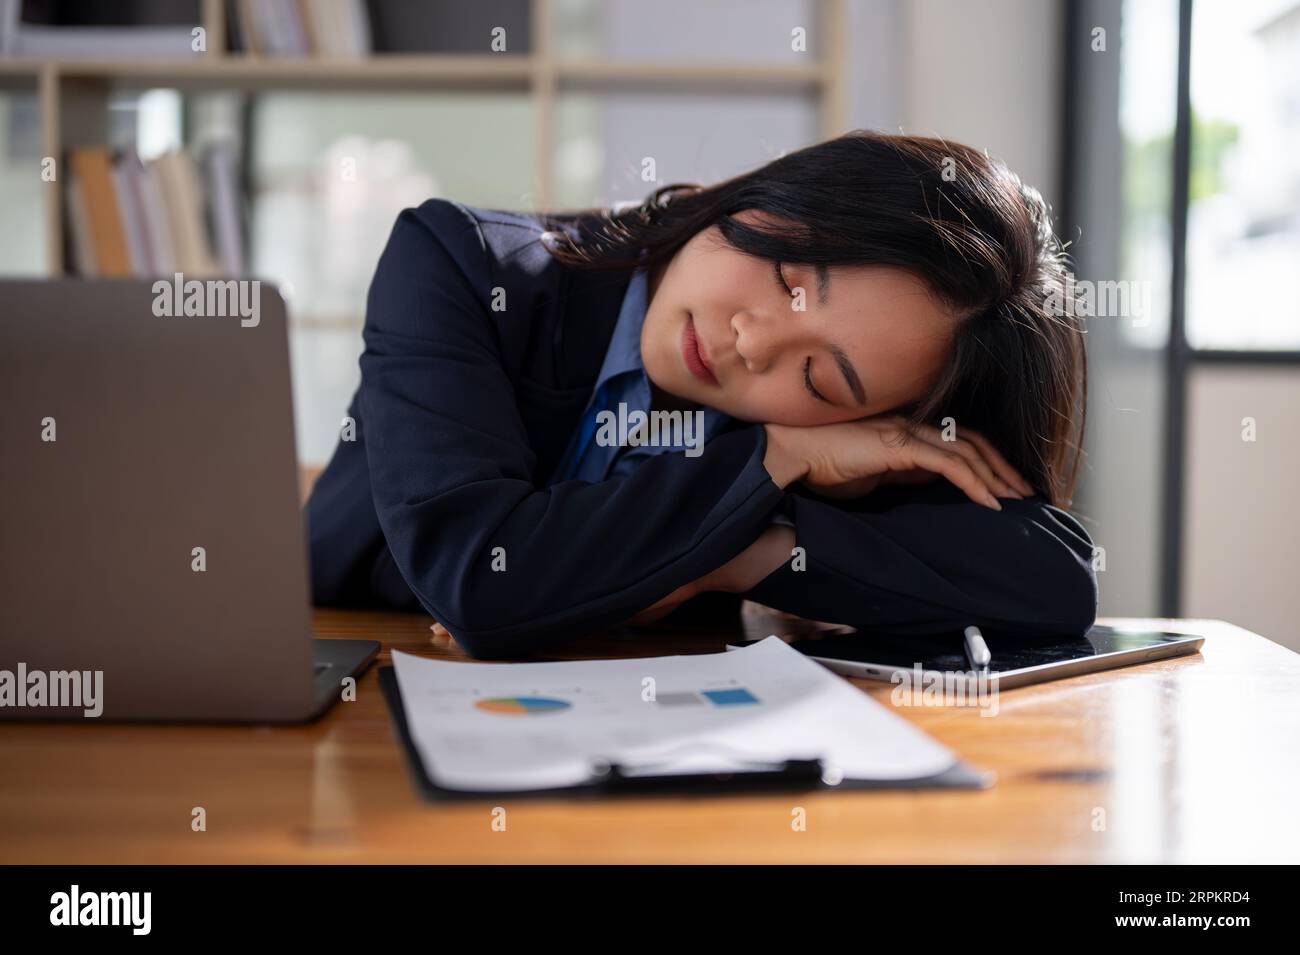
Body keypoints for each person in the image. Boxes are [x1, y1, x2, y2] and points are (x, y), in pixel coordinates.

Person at [305, 129, 1098, 659]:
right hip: (362, 665)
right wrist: (777, 457)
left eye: (821, 379)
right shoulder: (462, 265)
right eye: (787, 280)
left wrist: (736, 558)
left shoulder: (837, 424)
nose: (752, 342)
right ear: (774, 197)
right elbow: (481, 577)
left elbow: (1054, 583)